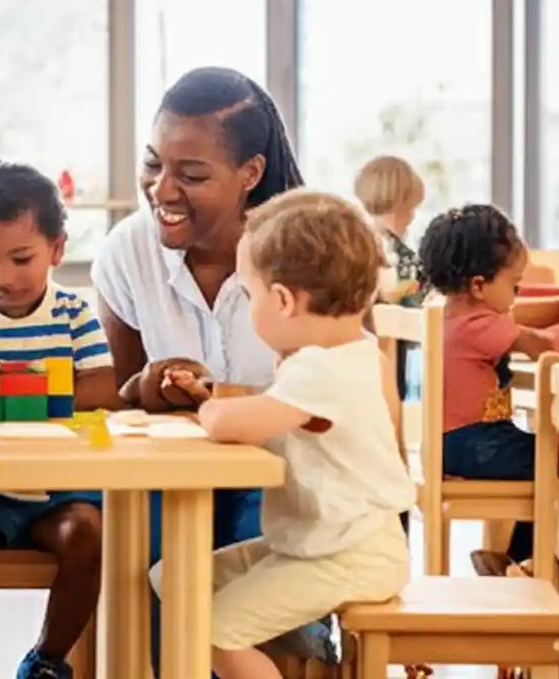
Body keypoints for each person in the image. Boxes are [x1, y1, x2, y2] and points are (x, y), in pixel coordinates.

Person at [90, 66, 339, 672]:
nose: (162, 190)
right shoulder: (128, 252)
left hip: (285, 472)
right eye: (154, 164)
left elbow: (337, 409)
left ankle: (301, 658)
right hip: (167, 476)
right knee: (139, 555)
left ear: (250, 174)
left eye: (191, 175)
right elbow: (116, 405)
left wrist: (221, 398)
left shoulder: (308, 256)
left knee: (262, 560)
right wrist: (143, 389)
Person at [153, 190, 413, 679]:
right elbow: (279, 412)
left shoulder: (323, 369)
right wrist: (216, 393)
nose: (250, 309)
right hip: (322, 543)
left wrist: (210, 408)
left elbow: (231, 424)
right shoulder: (355, 353)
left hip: (347, 556)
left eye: (249, 296)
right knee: (174, 577)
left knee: (210, 630)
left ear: (283, 301)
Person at [0, 162, 124, 679]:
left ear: (57, 251)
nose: (2, 279)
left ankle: (47, 661)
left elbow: (104, 388)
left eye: (21, 259)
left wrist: (14, 392)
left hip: (61, 490)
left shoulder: (73, 313)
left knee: (89, 533)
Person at [417, 204, 559, 583]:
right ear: (479, 285)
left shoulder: (449, 313)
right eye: (514, 285)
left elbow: (523, 317)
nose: (517, 294)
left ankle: (518, 564)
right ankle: (548, 572)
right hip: (477, 445)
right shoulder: (478, 325)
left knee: (555, 457)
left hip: (454, 443)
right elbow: (546, 346)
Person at [354, 155, 426, 306]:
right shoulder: (382, 252)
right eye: (411, 207)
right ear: (401, 204)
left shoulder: (355, 244)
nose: (412, 217)